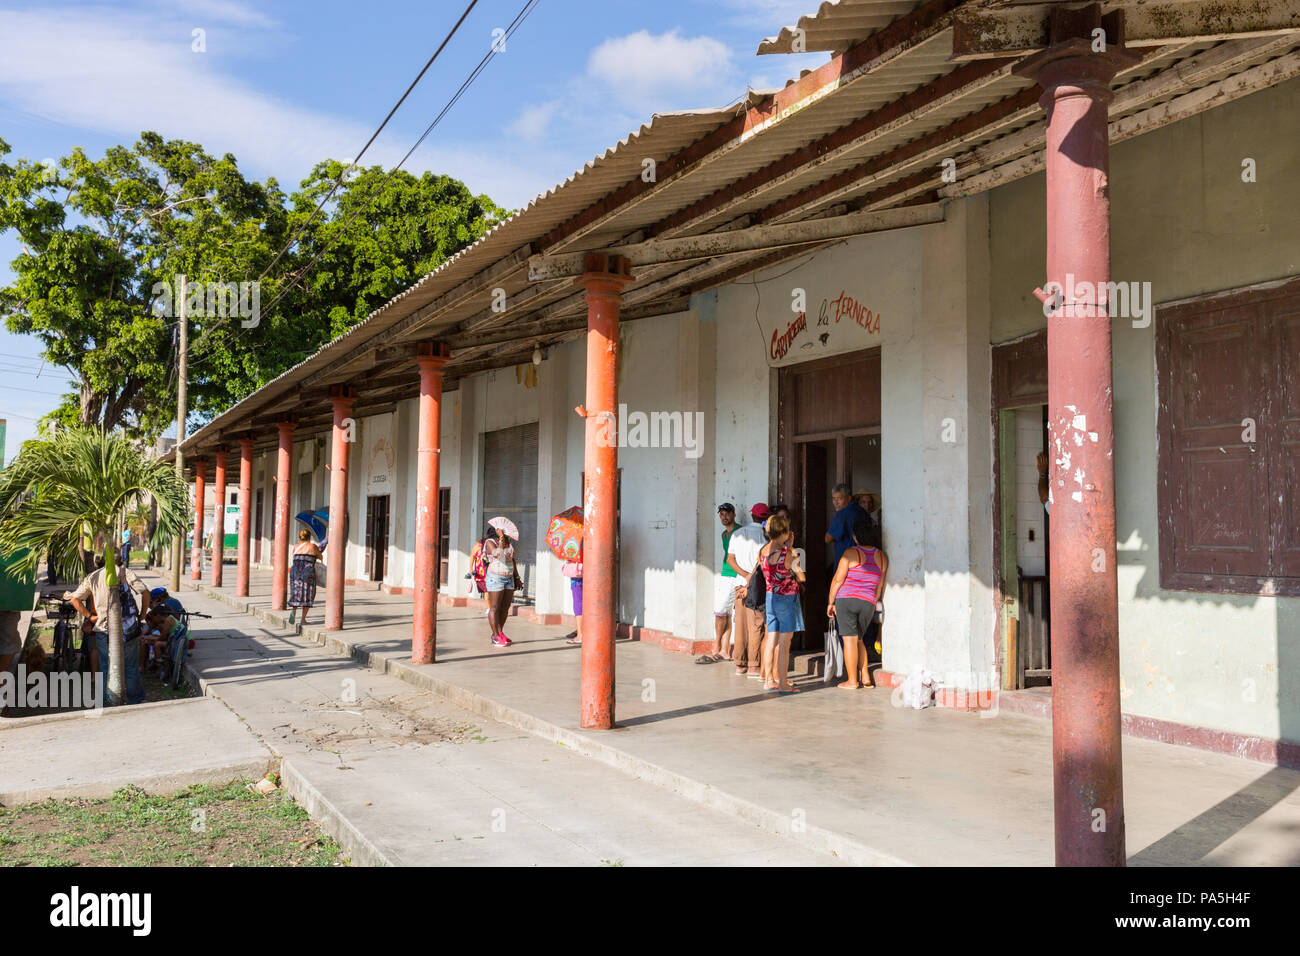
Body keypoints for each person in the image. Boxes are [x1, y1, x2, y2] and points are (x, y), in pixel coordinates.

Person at [826, 517, 887, 690]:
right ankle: (865, 676)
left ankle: (852, 681)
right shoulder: (882, 557)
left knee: (850, 641)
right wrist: (871, 603)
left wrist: (830, 602)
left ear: (855, 536)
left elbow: (838, 580)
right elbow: (879, 586)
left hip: (847, 600)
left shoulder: (851, 553)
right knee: (859, 639)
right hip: (868, 602)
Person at [758, 514, 805, 693]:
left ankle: (769, 679)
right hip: (786, 599)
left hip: (770, 596)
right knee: (785, 642)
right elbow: (801, 575)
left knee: (771, 640)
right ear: (785, 532)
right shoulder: (788, 554)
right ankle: (783, 683)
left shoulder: (762, 551)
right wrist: (791, 548)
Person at [726, 503, 770, 679]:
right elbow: (761, 564)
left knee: (741, 626)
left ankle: (740, 665)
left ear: (752, 515)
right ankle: (754, 666)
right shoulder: (767, 538)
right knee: (756, 625)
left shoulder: (738, 534)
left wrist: (744, 576)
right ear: (765, 518)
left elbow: (730, 560)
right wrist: (750, 579)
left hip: (739, 585)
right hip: (757, 587)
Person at [702, 503, 738, 664]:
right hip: (725, 573)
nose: (724, 517)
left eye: (727, 513)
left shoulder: (740, 532)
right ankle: (725, 650)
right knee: (726, 613)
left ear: (734, 515)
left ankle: (716, 646)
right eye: (721, 514)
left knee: (720, 611)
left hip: (735, 574)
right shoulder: (724, 534)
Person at [483, 524, 521, 648]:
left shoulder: (508, 542)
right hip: (495, 578)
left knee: (505, 607)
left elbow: (512, 560)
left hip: (509, 578)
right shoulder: (490, 542)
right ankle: (495, 636)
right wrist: (500, 538)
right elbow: (498, 554)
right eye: (502, 531)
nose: (505, 532)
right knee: (494, 607)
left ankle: (500, 632)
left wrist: (517, 577)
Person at [825, 483, 869, 566]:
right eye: (834, 498)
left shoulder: (842, 514)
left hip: (846, 560)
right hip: (864, 559)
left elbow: (828, 539)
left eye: (839, 498)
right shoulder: (862, 511)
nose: (836, 502)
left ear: (849, 498)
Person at [288, 529, 323, 625]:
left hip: (295, 572)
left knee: (296, 592)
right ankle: (303, 619)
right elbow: (320, 557)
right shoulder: (312, 546)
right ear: (310, 537)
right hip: (307, 573)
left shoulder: (295, 547)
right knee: (308, 594)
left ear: (299, 537)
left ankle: (294, 611)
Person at [562, 559, 583, 645]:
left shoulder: (575, 546)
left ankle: (580, 635)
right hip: (590, 574)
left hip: (578, 576)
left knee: (578, 605)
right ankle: (580, 631)